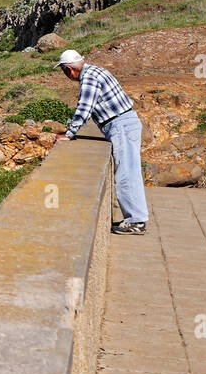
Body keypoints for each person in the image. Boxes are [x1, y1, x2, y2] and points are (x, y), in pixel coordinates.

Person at [53, 49, 148, 235]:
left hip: (120, 126)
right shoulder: (96, 71)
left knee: (126, 174)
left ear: (69, 69)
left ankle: (136, 221)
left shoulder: (88, 79)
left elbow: (84, 108)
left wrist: (69, 134)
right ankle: (135, 218)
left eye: (64, 71)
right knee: (129, 171)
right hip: (125, 122)